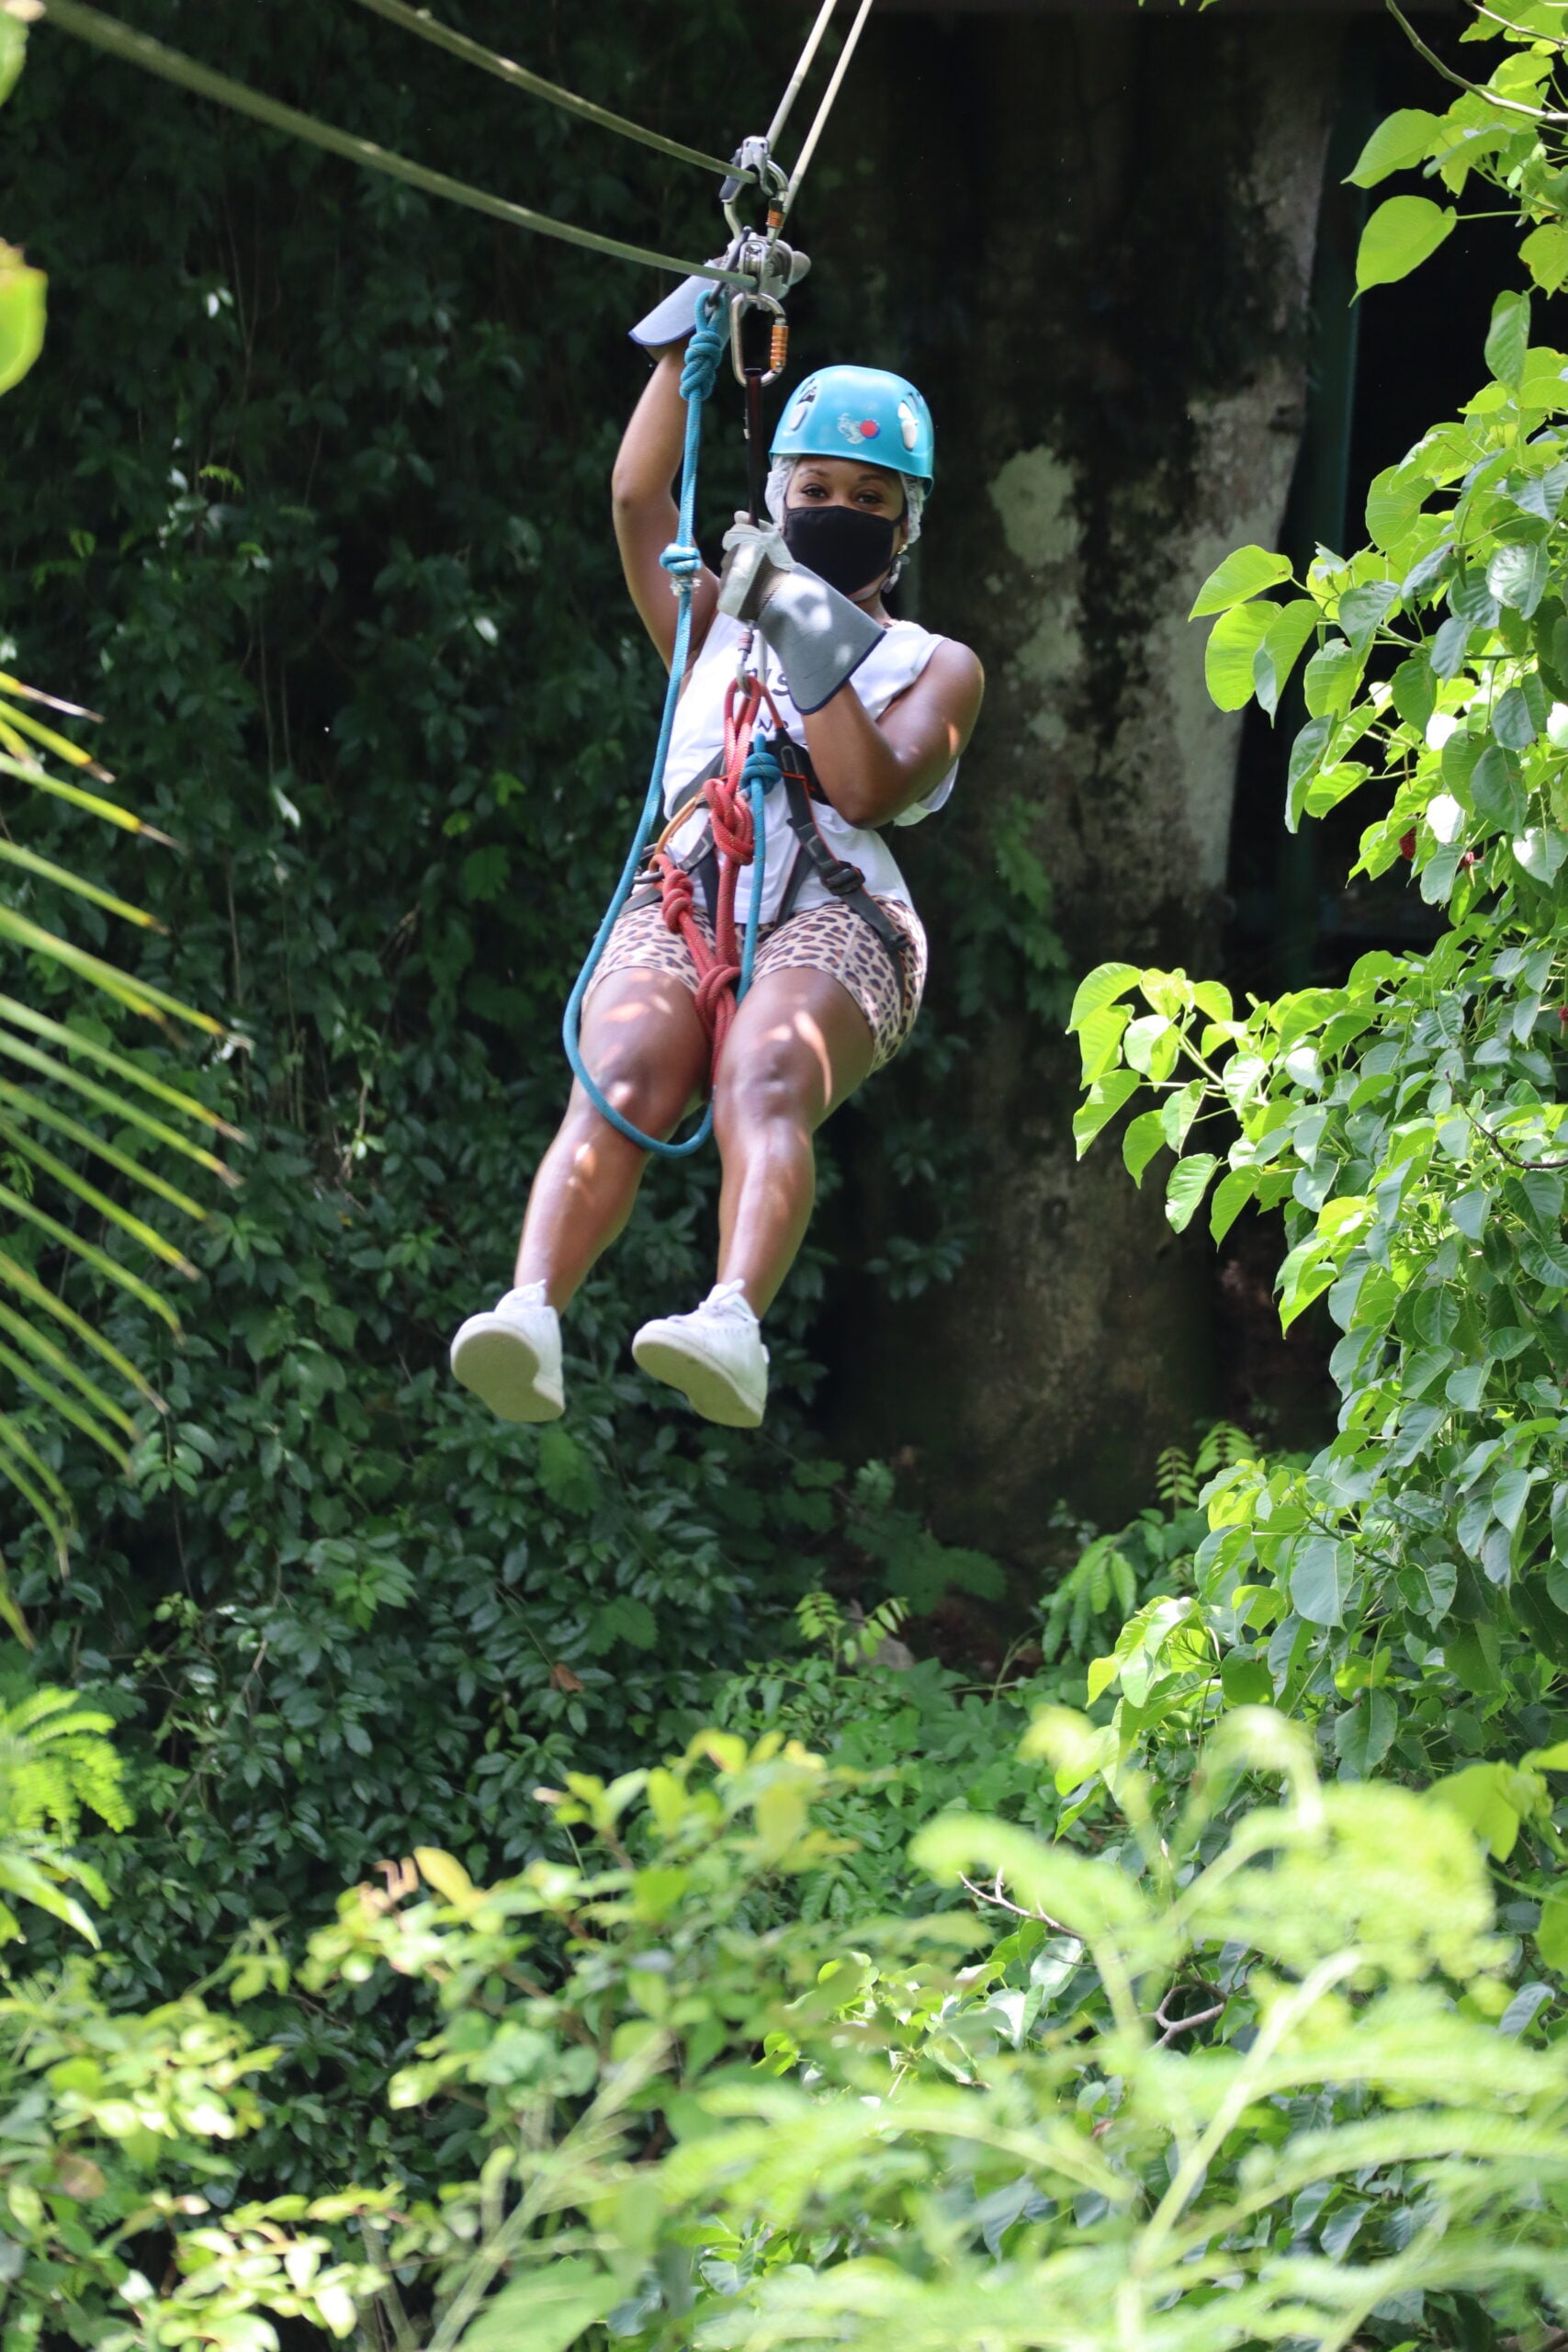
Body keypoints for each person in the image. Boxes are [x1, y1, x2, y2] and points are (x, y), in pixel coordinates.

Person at [448, 300, 984, 1433]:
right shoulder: (711, 621)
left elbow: (864, 790)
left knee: (766, 1072)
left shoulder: (934, 663)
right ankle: (529, 1310)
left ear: (908, 524)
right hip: (690, 885)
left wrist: (796, 617)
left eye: (872, 499)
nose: (840, 512)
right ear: (779, 494)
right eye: (817, 489)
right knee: (624, 1071)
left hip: (841, 907)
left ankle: (734, 1320)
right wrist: (684, 344)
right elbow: (638, 500)